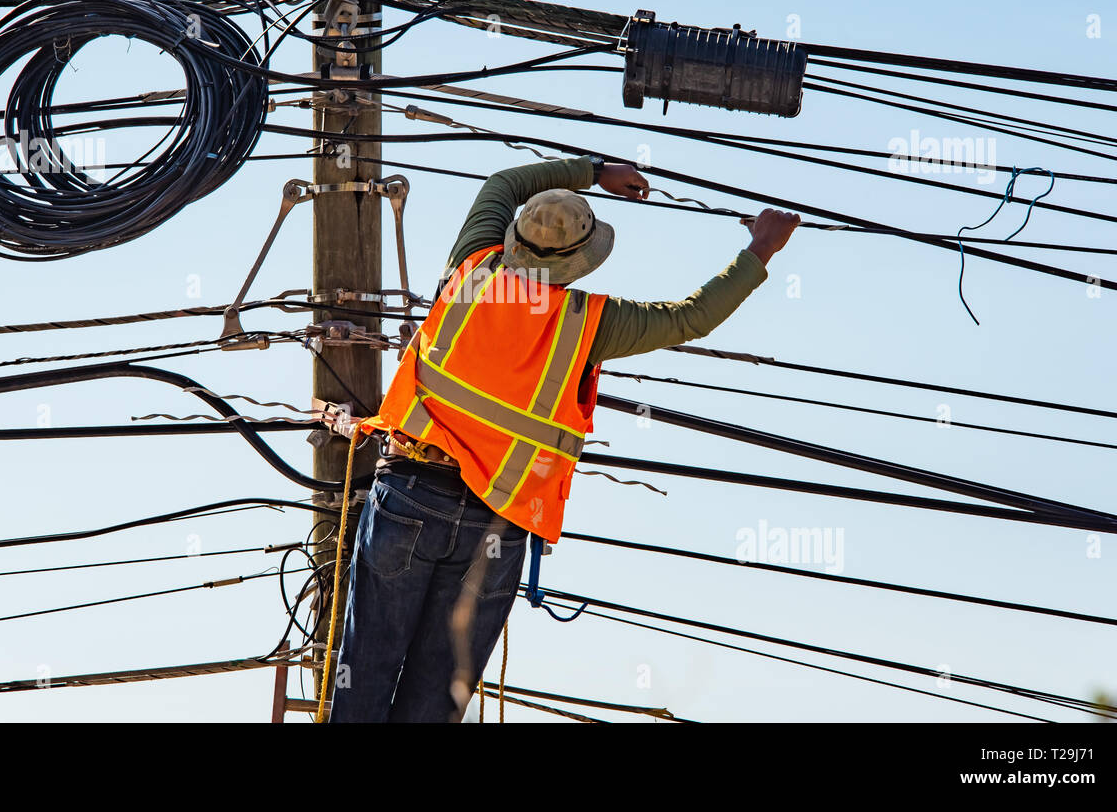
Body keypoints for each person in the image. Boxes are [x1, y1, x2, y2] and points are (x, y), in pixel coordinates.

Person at [329, 154, 800, 722]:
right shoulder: (590, 323)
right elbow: (690, 318)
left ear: (513, 236)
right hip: (492, 526)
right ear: (579, 263)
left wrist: (594, 170)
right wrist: (762, 249)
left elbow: (503, 181)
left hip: (408, 493)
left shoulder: (471, 268)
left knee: (363, 684)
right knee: (433, 702)